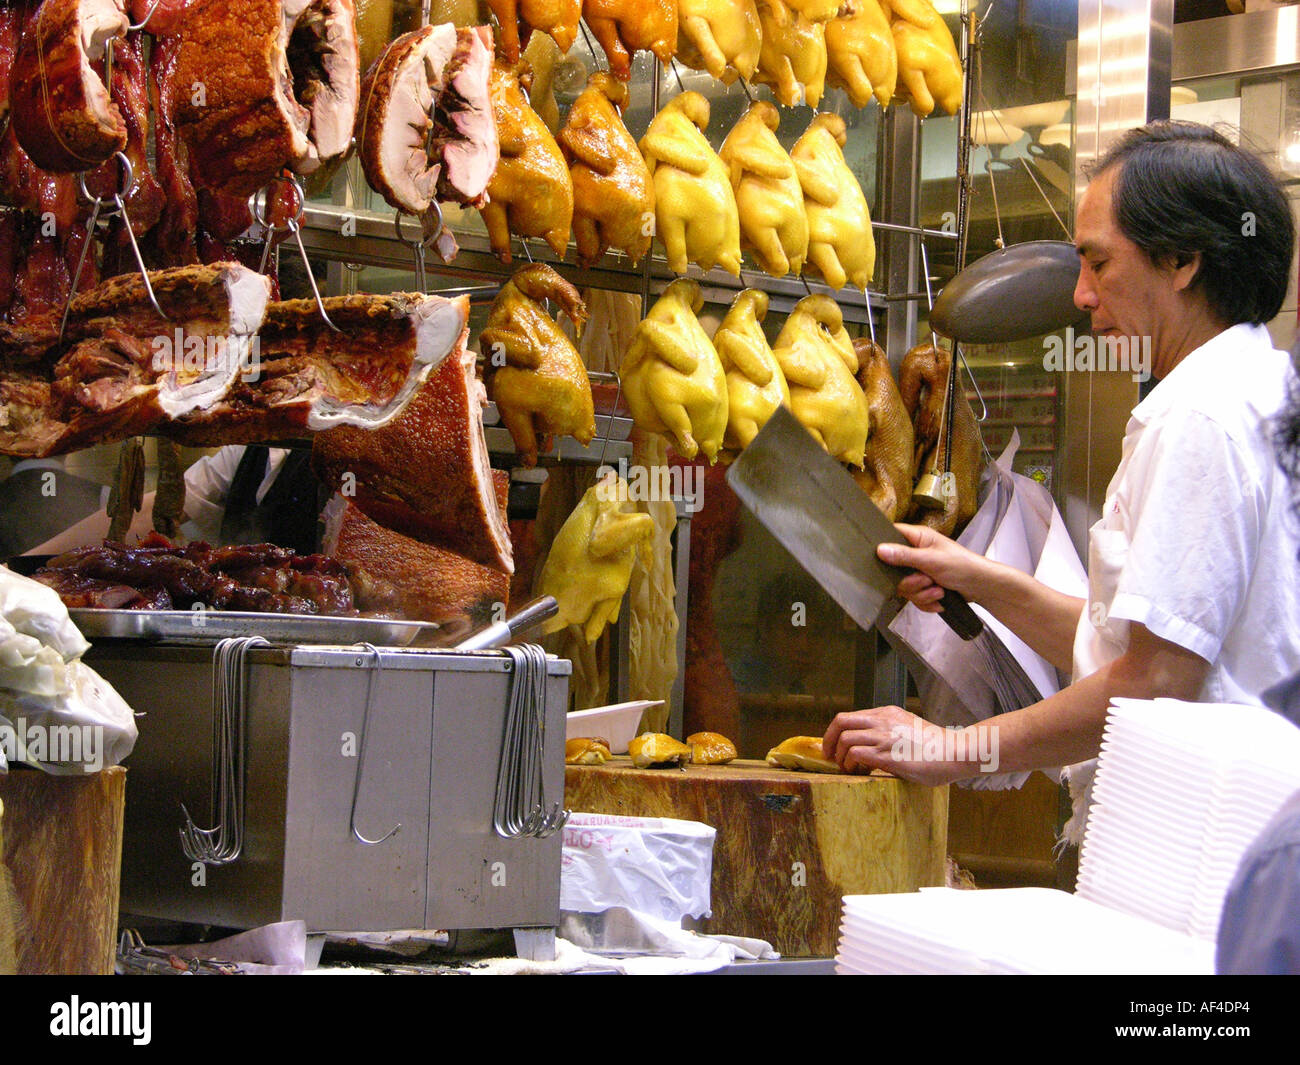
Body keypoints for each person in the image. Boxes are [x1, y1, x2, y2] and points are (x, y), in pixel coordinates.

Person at [823, 121, 1300, 840]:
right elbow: (1132, 644)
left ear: (1182, 260)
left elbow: (1156, 681)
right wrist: (976, 576)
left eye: (1098, 263)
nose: (1080, 295)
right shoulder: (1259, 386)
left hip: (1197, 853)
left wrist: (953, 747)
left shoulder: (1203, 414)